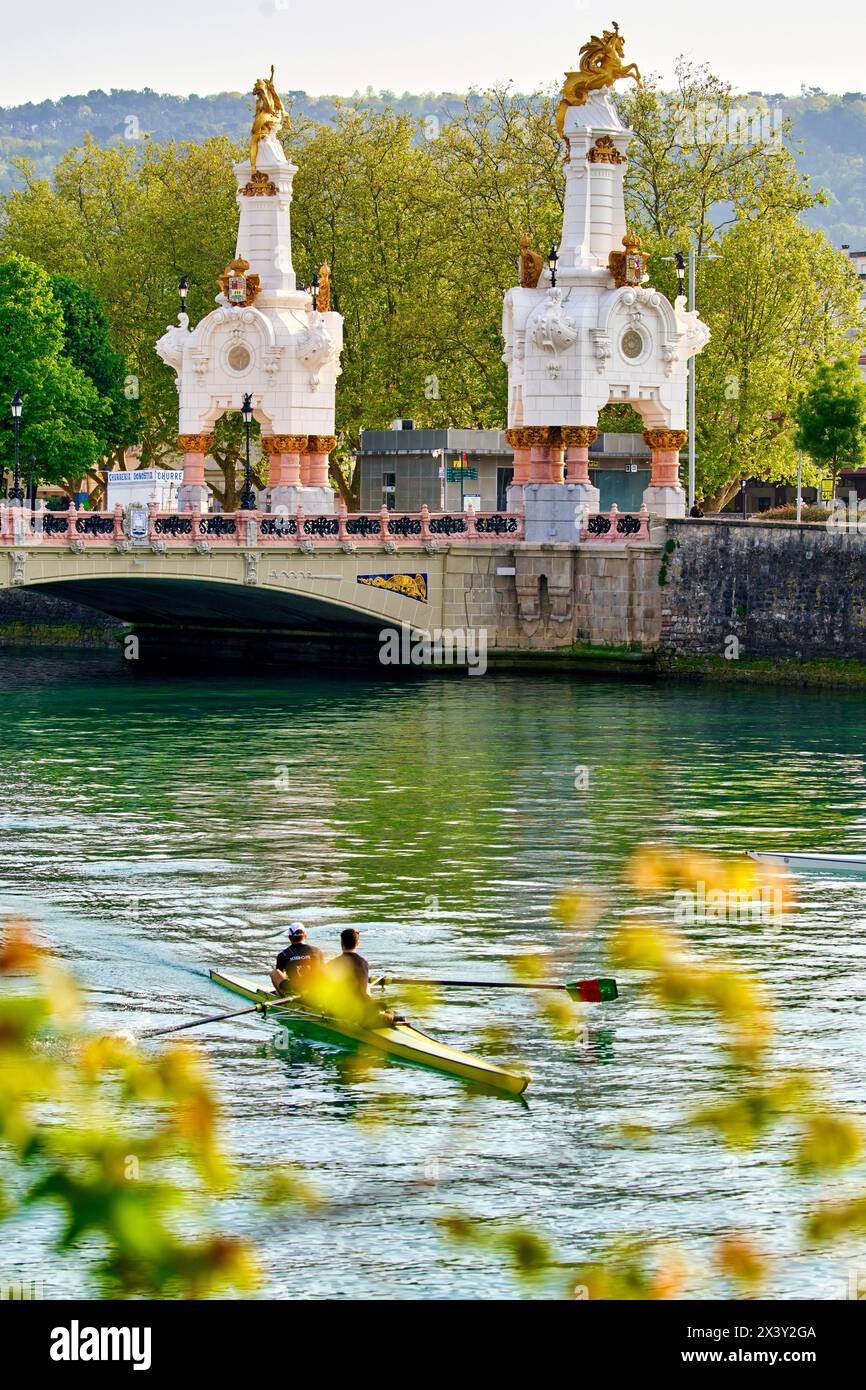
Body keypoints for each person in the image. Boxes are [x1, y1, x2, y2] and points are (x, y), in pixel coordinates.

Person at [325, 927, 397, 1025]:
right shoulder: (364, 963)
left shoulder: (332, 964)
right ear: (357, 943)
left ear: (341, 943)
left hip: (342, 1010)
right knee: (385, 1007)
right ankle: (381, 1016)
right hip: (362, 1007)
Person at [270, 925, 324, 998]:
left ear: (289, 937)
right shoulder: (317, 951)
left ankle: (281, 996)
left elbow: (280, 975)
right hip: (315, 991)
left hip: (296, 991)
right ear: (305, 935)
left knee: (274, 973)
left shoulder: (283, 954)